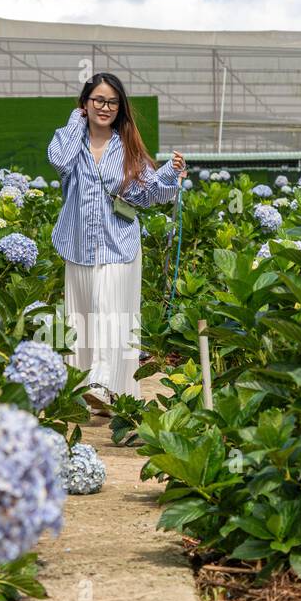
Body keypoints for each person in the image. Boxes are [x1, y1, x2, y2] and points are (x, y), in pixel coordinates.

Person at [47, 71, 186, 411]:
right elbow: (58, 161)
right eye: (98, 100)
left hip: (118, 244)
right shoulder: (69, 141)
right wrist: (76, 121)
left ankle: (103, 381)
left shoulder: (127, 148)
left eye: (112, 101)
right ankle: (90, 396)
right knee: (81, 322)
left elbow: (148, 193)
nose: (105, 107)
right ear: (85, 104)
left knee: (112, 314)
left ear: (120, 107)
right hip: (77, 244)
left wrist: (170, 172)